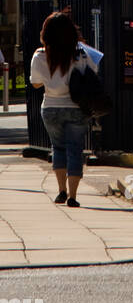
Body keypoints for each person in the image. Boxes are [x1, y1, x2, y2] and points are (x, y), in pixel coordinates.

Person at [29, 12, 98, 208]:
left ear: (46, 33)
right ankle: (73, 196)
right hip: (76, 107)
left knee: (58, 148)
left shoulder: (40, 55)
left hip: (51, 107)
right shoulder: (81, 54)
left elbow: (35, 84)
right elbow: (93, 75)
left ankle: (61, 190)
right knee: (75, 150)